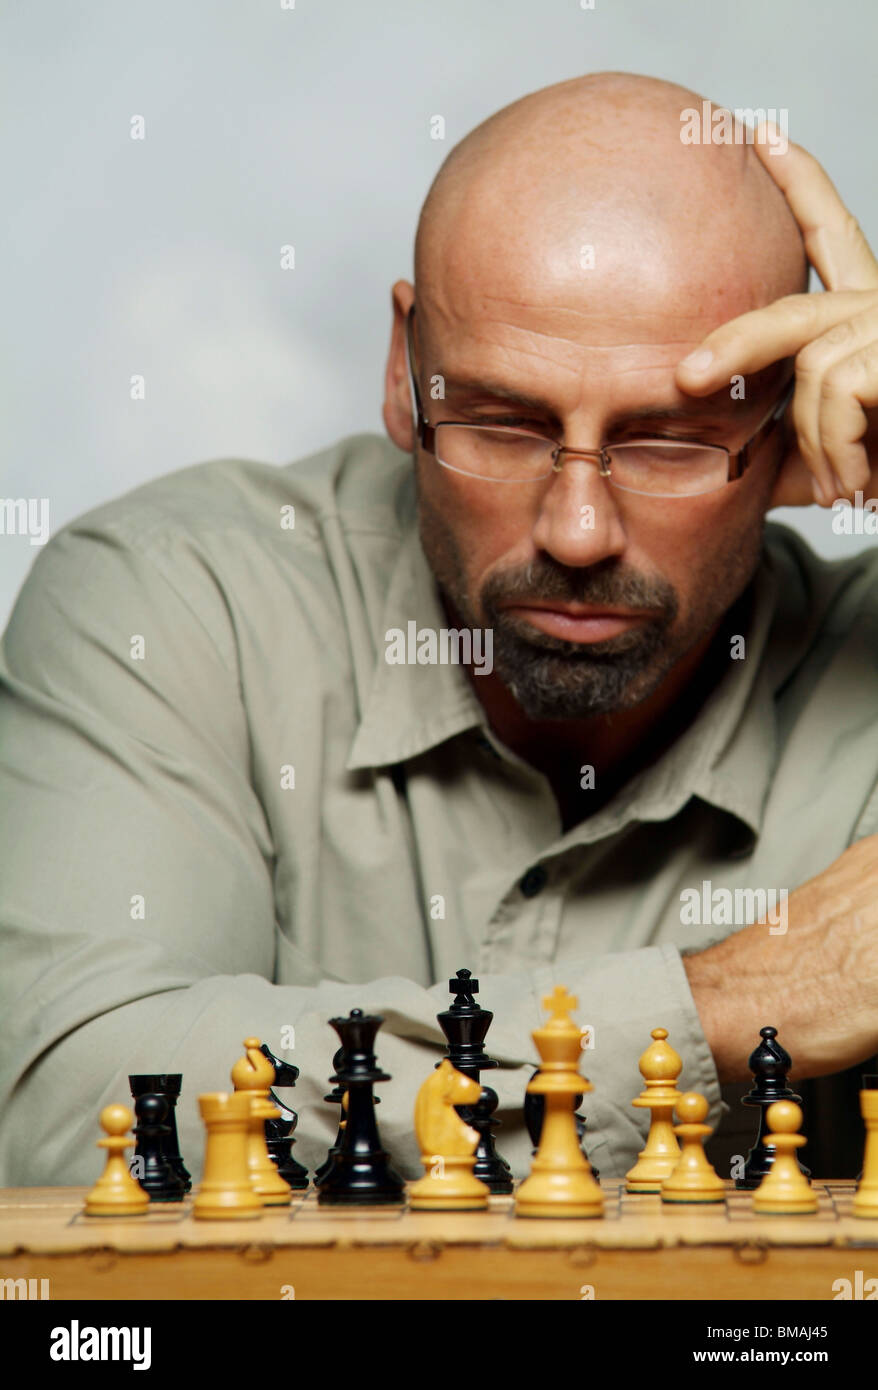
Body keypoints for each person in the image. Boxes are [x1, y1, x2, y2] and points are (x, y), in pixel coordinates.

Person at [1, 72, 876, 1187]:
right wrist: (733, 1002)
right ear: (402, 372)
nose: (575, 528)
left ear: (789, 418)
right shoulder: (168, 607)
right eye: (502, 424)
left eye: (668, 440)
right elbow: (65, 1105)